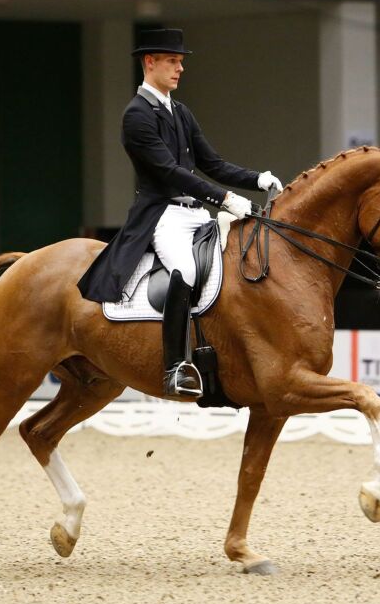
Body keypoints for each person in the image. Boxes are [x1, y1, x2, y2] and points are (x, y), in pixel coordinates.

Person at [77, 28, 282, 398]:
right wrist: (226, 199)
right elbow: (170, 172)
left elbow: (212, 164)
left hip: (195, 214)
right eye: (172, 61)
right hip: (163, 215)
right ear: (149, 62)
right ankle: (175, 367)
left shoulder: (181, 113)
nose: (180, 69)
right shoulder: (136, 115)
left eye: (181, 62)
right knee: (185, 270)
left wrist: (256, 178)